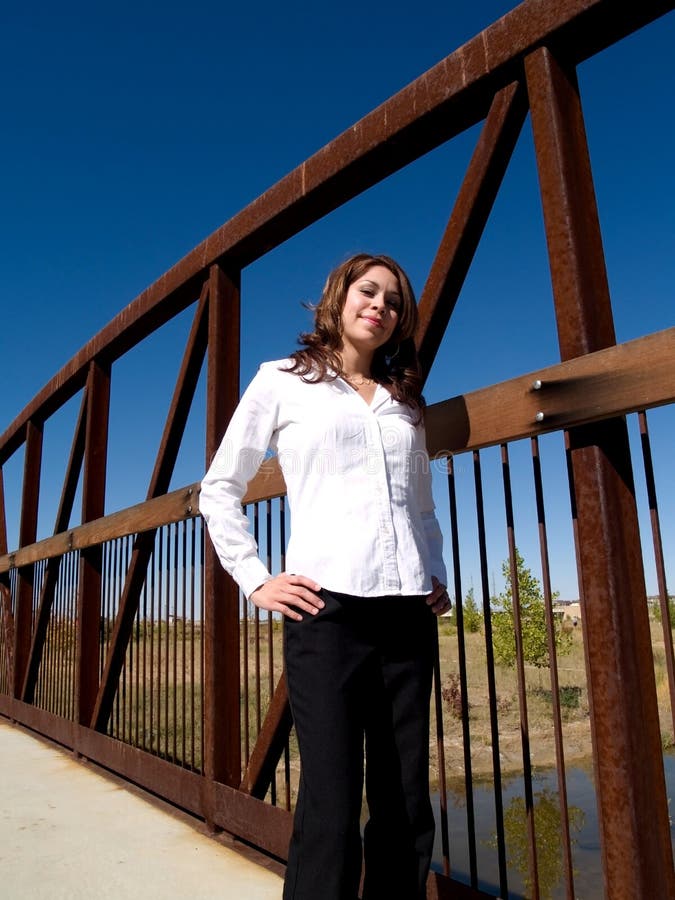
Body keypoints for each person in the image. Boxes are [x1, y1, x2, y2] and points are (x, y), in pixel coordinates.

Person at [200, 253, 451, 900]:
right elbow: (219, 488)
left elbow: (419, 503)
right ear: (338, 297)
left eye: (393, 301)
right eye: (368, 291)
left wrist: (436, 571)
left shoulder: (404, 405)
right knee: (330, 806)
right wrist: (255, 578)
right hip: (326, 614)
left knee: (402, 803)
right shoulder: (281, 381)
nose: (380, 306)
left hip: (405, 614)